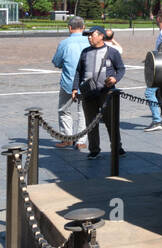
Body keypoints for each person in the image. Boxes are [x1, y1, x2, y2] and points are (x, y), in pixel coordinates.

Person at [74, 25, 126, 160]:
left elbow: (121, 69)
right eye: (89, 35)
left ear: (101, 36)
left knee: (111, 122)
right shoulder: (85, 52)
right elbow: (78, 71)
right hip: (88, 93)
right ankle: (94, 150)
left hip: (106, 93)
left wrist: (115, 79)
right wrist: (75, 88)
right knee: (91, 123)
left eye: (92, 35)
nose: (90, 37)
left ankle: (117, 147)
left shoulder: (112, 52)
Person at [50, 15, 88, 149]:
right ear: (83, 27)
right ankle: (81, 141)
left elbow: (57, 62)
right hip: (87, 83)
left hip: (69, 82)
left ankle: (67, 138)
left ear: (69, 28)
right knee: (83, 112)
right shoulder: (90, 41)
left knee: (64, 110)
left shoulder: (65, 43)